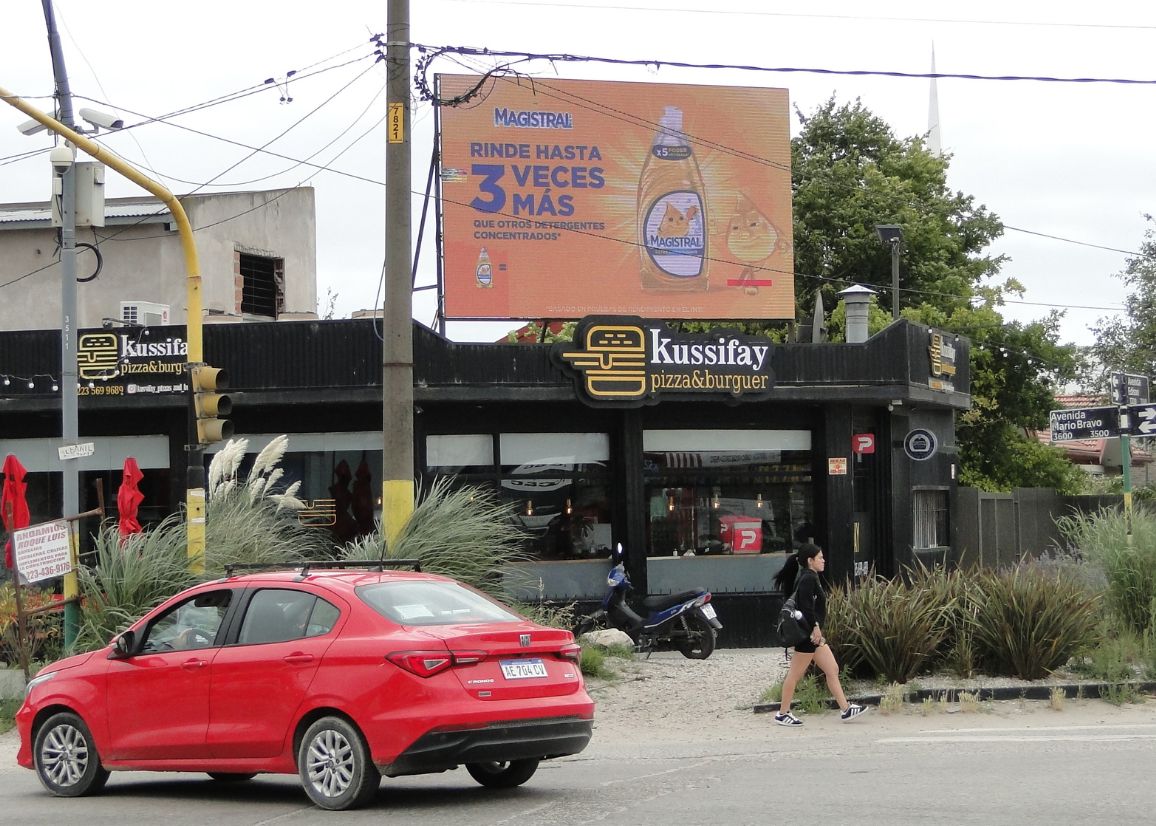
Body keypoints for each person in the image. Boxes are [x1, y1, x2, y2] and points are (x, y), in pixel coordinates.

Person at [771, 542, 866, 727]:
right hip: (808, 637)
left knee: (832, 669)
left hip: (813, 637)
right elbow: (807, 607)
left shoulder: (811, 576)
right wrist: (815, 628)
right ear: (810, 560)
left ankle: (846, 709)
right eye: (820, 558)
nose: (824, 561)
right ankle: (783, 713)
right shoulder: (808, 578)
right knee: (795, 675)